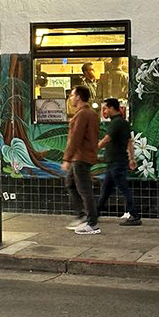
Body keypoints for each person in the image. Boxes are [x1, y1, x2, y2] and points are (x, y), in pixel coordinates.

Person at [62, 85, 101, 235]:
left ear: (78, 97)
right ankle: (82, 216)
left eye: (72, 95)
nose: (70, 98)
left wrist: (67, 158)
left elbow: (75, 138)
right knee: (71, 183)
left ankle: (92, 222)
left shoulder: (82, 115)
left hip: (80, 157)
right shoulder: (90, 113)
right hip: (82, 156)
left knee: (84, 189)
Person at [97, 98, 141, 225]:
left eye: (106, 108)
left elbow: (106, 139)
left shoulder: (116, 123)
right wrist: (131, 159)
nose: (105, 111)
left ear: (112, 108)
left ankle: (134, 215)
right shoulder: (123, 123)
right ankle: (95, 214)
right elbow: (130, 142)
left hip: (116, 162)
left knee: (123, 189)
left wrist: (95, 147)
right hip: (115, 162)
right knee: (106, 189)